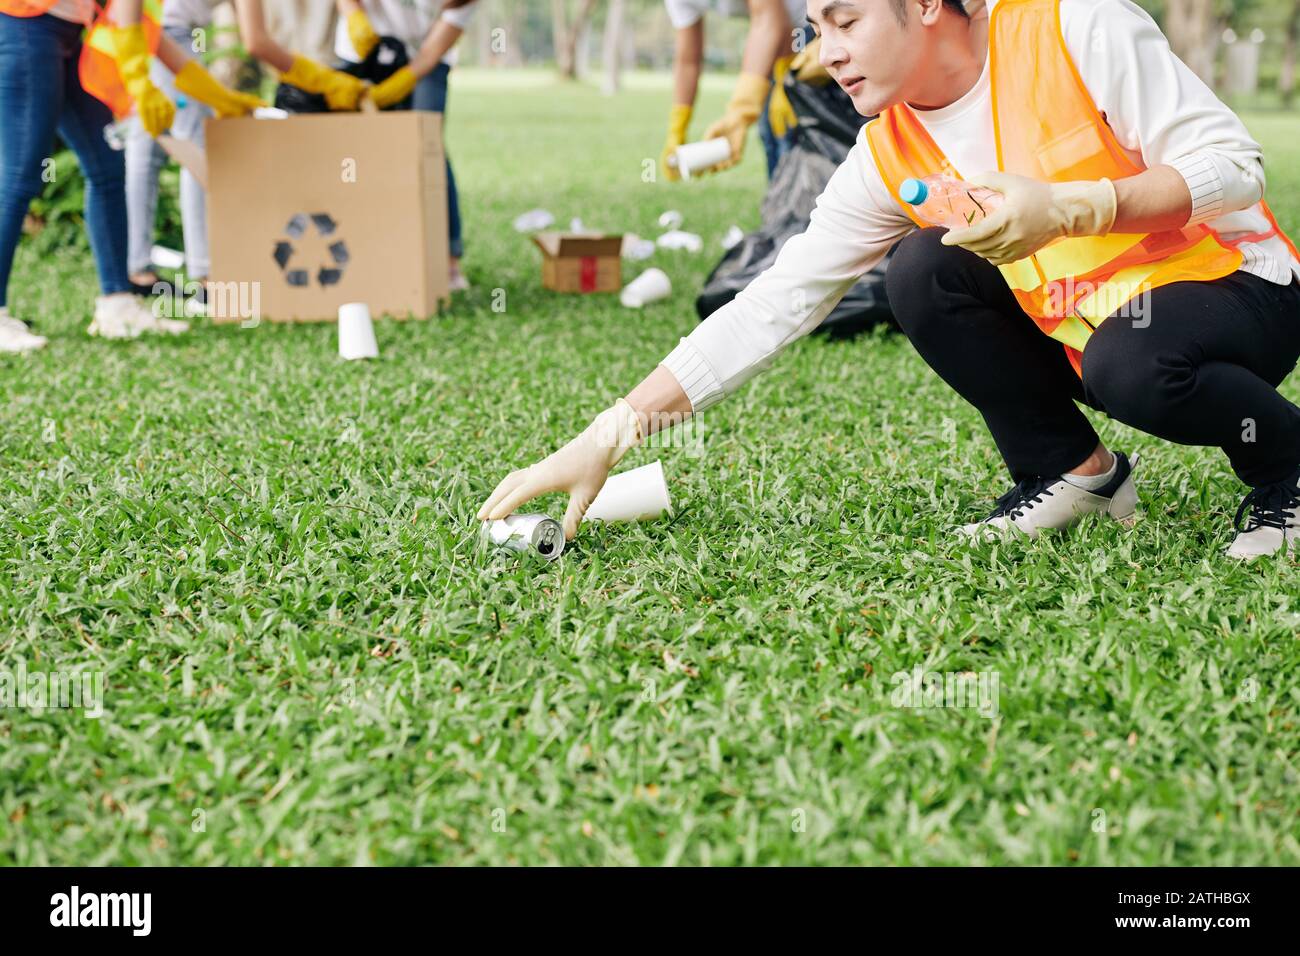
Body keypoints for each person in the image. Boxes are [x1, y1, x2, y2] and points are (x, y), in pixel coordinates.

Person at [481, 0, 1300, 560]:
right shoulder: (886, 149)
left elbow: (1235, 168)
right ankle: (1072, 474)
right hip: (1095, 325)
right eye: (813, 26)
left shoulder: (1072, 23)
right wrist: (607, 436)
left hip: (1240, 285)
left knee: (1135, 364)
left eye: (847, 19)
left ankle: (1286, 472)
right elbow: (775, 303)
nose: (825, 50)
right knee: (921, 271)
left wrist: (1073, 206)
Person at [0, 0, 197, 349]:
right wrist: (139, 81)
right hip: (25, 24)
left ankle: (118, 303)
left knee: (106, 166)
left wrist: (212, 91)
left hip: (68, 31)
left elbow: (139, 24)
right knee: (20, 174)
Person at [335, 0, 478, 291]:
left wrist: (402, 82)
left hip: (425, 58)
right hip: (361, 46)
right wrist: (354, 15)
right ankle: (359, 249)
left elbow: (429, 55)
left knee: (428, 144)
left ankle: (448, 257)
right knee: (354, 144)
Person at [660, 0, 808, 181]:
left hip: (812, 26)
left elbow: (769, 18)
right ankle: (784, 204)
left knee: (798, 131)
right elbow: (688, 61)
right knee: (771, 133)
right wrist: (678, 127)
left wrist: (741, 111)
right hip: (774, 33)